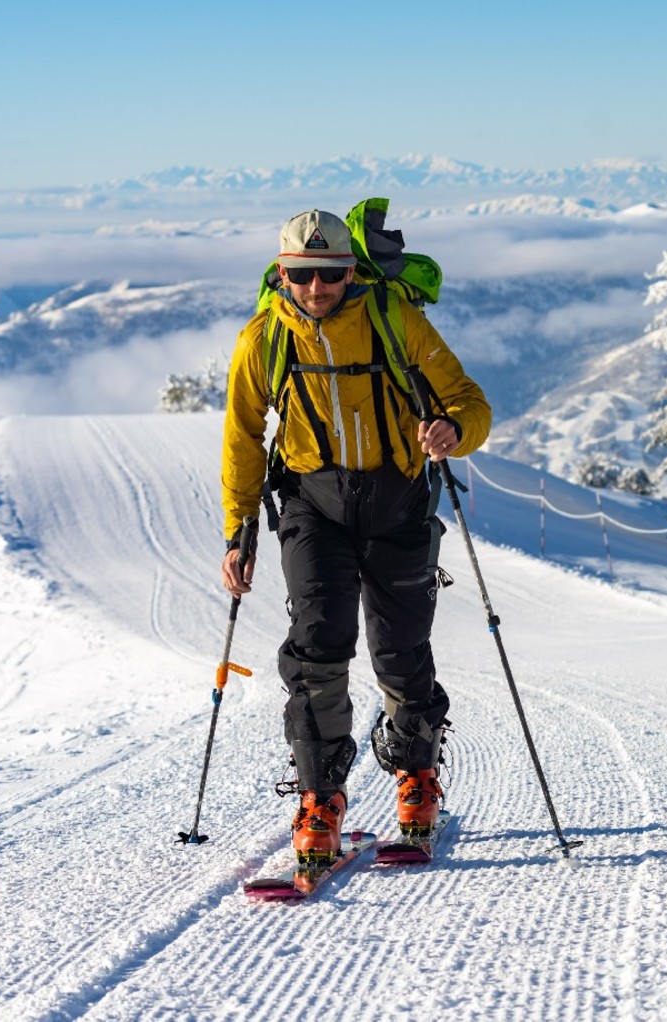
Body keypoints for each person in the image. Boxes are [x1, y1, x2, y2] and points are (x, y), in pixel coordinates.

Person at [221, 209, 491, 864]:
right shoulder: (263, 339)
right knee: (317, 645)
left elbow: (468, 400)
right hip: (313, 505)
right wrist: (239, 528)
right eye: (304, 276)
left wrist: (455, 431)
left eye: (332, 274)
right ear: (282, 274)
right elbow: (242, 435)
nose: (318, 289)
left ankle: (418, 776)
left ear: (351, 271)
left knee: (401, 650)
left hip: (397, 502)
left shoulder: (394, 320)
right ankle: (320, 797)